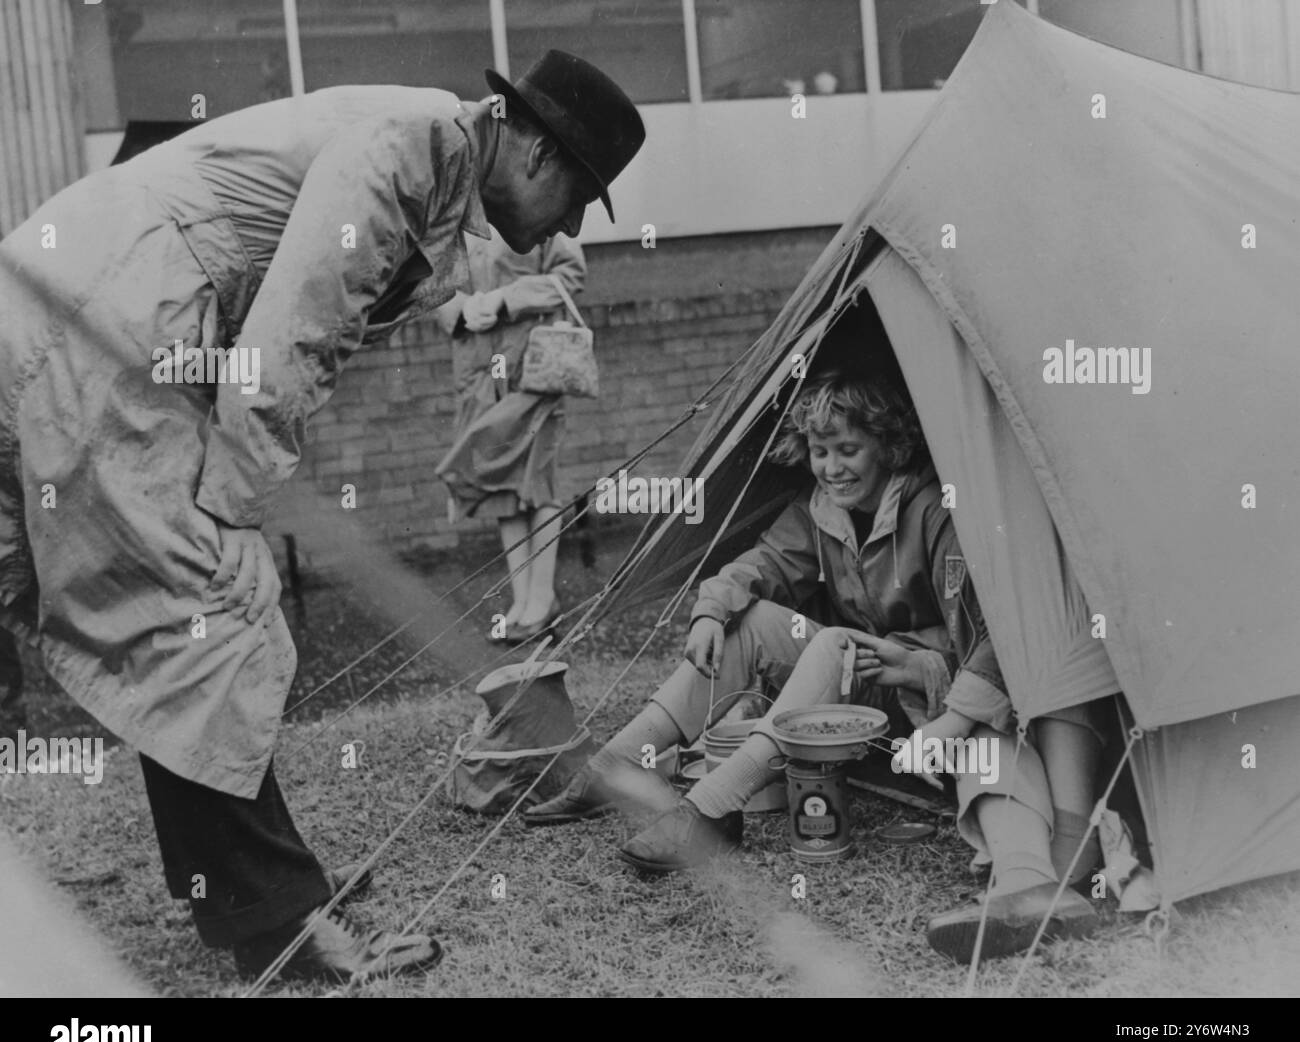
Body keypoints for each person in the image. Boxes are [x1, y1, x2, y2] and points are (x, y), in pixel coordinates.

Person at [0, 51, 644, 984]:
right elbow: (291, 341)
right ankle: (281, 926)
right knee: (212, 621)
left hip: (54, 305)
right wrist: (231, 508)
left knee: (140, 614)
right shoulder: (412, 149)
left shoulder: (439, 155)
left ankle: (245, 899)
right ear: (540, 155)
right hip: (104, 322)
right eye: (579, 200)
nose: (568, 227)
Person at [526, 368, 1105, 959]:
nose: (833, 468)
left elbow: (1002, 633)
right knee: (747, 621)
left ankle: (711, 808)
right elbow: (764, 563)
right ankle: (616, 765)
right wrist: (708, 610)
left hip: (942, 702)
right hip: (873, 691)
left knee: (836, 646)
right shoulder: (823, 509)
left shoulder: (934, 508)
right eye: (821, 452)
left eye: (849, 449)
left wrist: (925, 672)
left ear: (888, 445)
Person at [433, 226, 586, 643]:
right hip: (480, 367)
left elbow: (570, 276)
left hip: (532, 363)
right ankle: (522, 602)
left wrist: (505, 299)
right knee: (498, 481)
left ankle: (542, 598)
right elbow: (432, 282)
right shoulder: (452, 216)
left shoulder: (537, 208)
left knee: (539, 477)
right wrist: (463, 310)